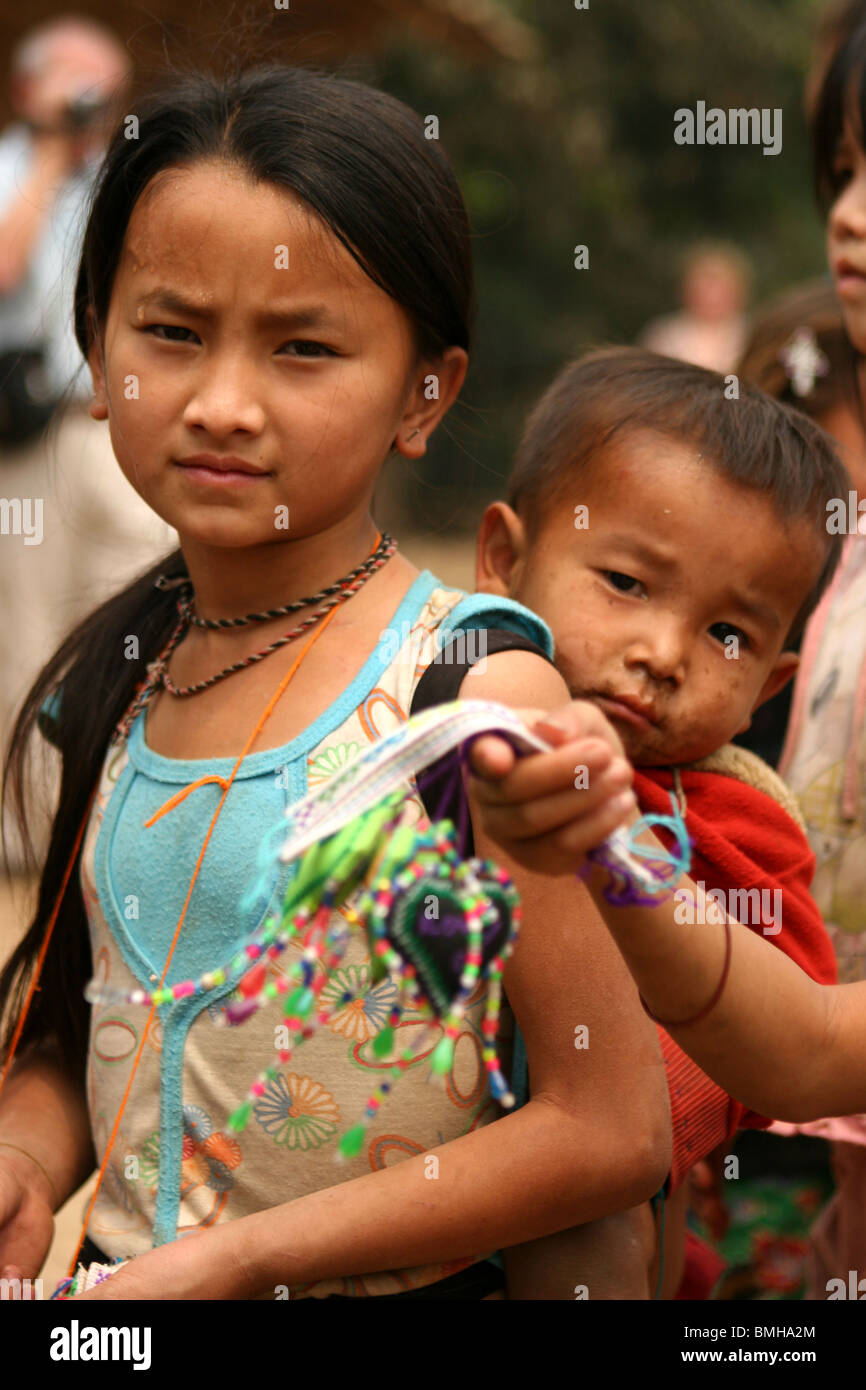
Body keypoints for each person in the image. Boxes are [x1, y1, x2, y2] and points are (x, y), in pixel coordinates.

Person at [0, 63, 672, 1301]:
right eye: (170, 332)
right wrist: (28, 1158)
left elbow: (610, 1125)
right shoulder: (115, 674)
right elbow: (84, 1025)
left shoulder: (470, 698)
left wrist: (241, 1259)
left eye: (302, 348)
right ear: (96, 353)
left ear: (426, 394)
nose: (222, 403)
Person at [465, 345, 845, 1298]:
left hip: (586, 1186)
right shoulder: (434, 723)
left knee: (589, 1240)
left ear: (772, 682)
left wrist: (628, 1115)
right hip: (380, 1148)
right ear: (507, 560)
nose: (662, 653)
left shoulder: (733, 814)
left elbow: (777, 1028)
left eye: (728, 635)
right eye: (628, 585)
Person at [0, 17, 176, 873]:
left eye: (107, 88)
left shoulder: (120, 180)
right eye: (77, 86)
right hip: (25, 438)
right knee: (24, 628)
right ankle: (29, 840)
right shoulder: (9, 170)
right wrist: (42, 161)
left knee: (144, 594)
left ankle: (115, 816)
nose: (94, 105)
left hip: (110, 429)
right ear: (32, 89)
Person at [639, 241, 751, 374]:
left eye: (719, 289)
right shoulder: (664, 335)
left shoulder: (751, 334)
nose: (711, 297)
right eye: (705, 289)